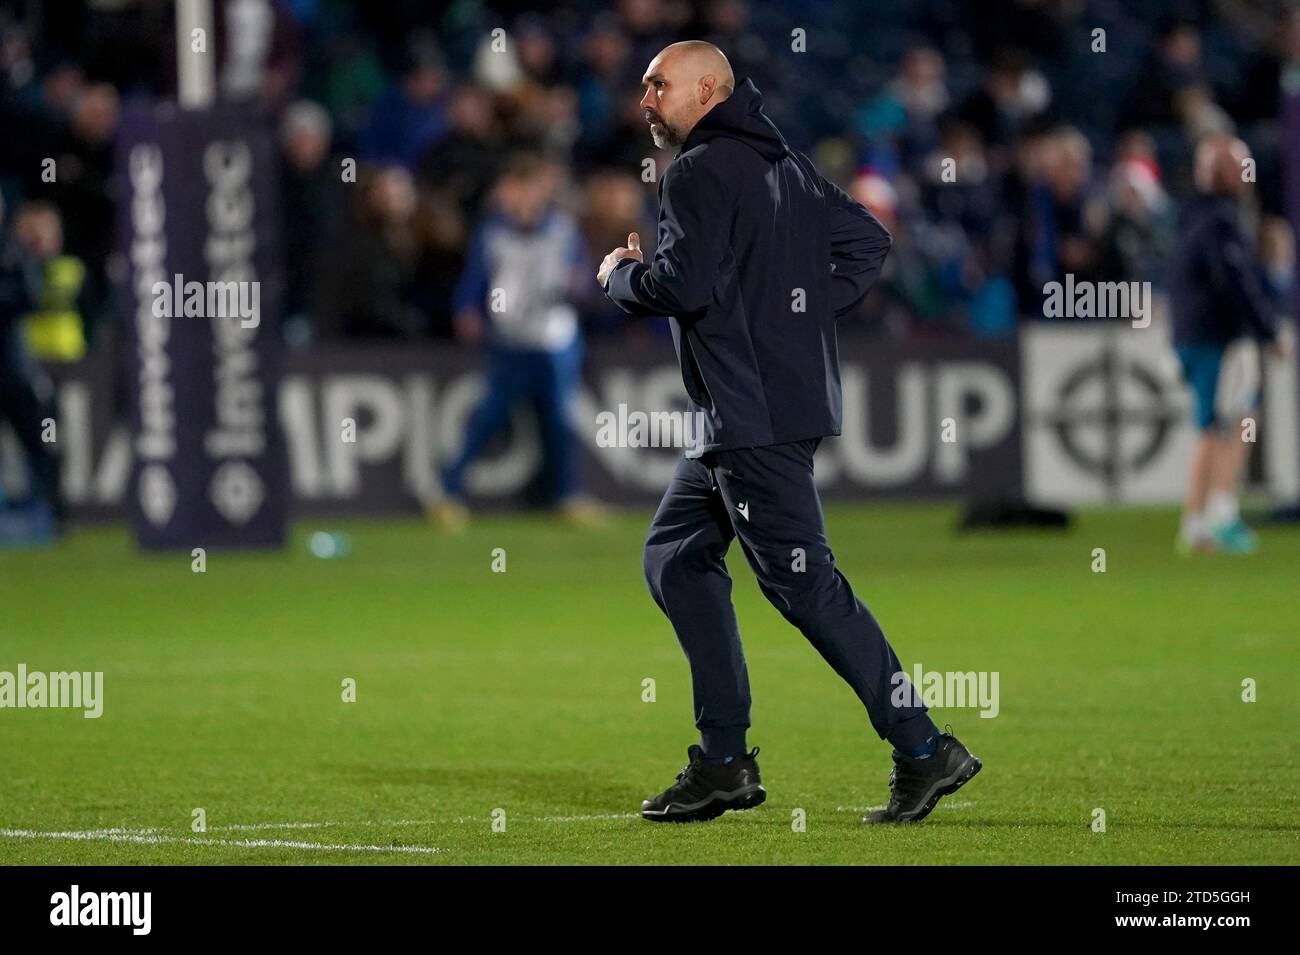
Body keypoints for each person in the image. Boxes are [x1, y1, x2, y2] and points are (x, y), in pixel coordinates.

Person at [598, 41, 981, 825]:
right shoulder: (789, 167)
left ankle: (921, 744)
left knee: (805, 584)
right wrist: (787, 316)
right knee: (676, 557)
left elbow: (682, 285)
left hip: (751, 415)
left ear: (707, 89)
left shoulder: (699, 170)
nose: (645, 99)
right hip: (748, 412)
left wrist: (616, 278)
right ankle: (724, 761)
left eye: (658, 85)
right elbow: (868, 243)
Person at [430, 152, 604, 530]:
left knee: (558, 421)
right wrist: (467, 309)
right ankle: (449, 493)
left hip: (554, 339)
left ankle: (566, 495)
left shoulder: (561, 230)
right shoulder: (493, 233)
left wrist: (578, 288)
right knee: (488, 417)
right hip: (509, 340)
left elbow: (585, 280)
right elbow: (477, 277)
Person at [1170, 134, 1287, 554]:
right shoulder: (1222, 221)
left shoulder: (1190, 215)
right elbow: (1236, 282)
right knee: (1227, 425)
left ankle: (1198, 521)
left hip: (1193, 334)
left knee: (1219, 422)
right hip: (1218, 337)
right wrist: (1269, 330)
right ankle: (1218, 514)